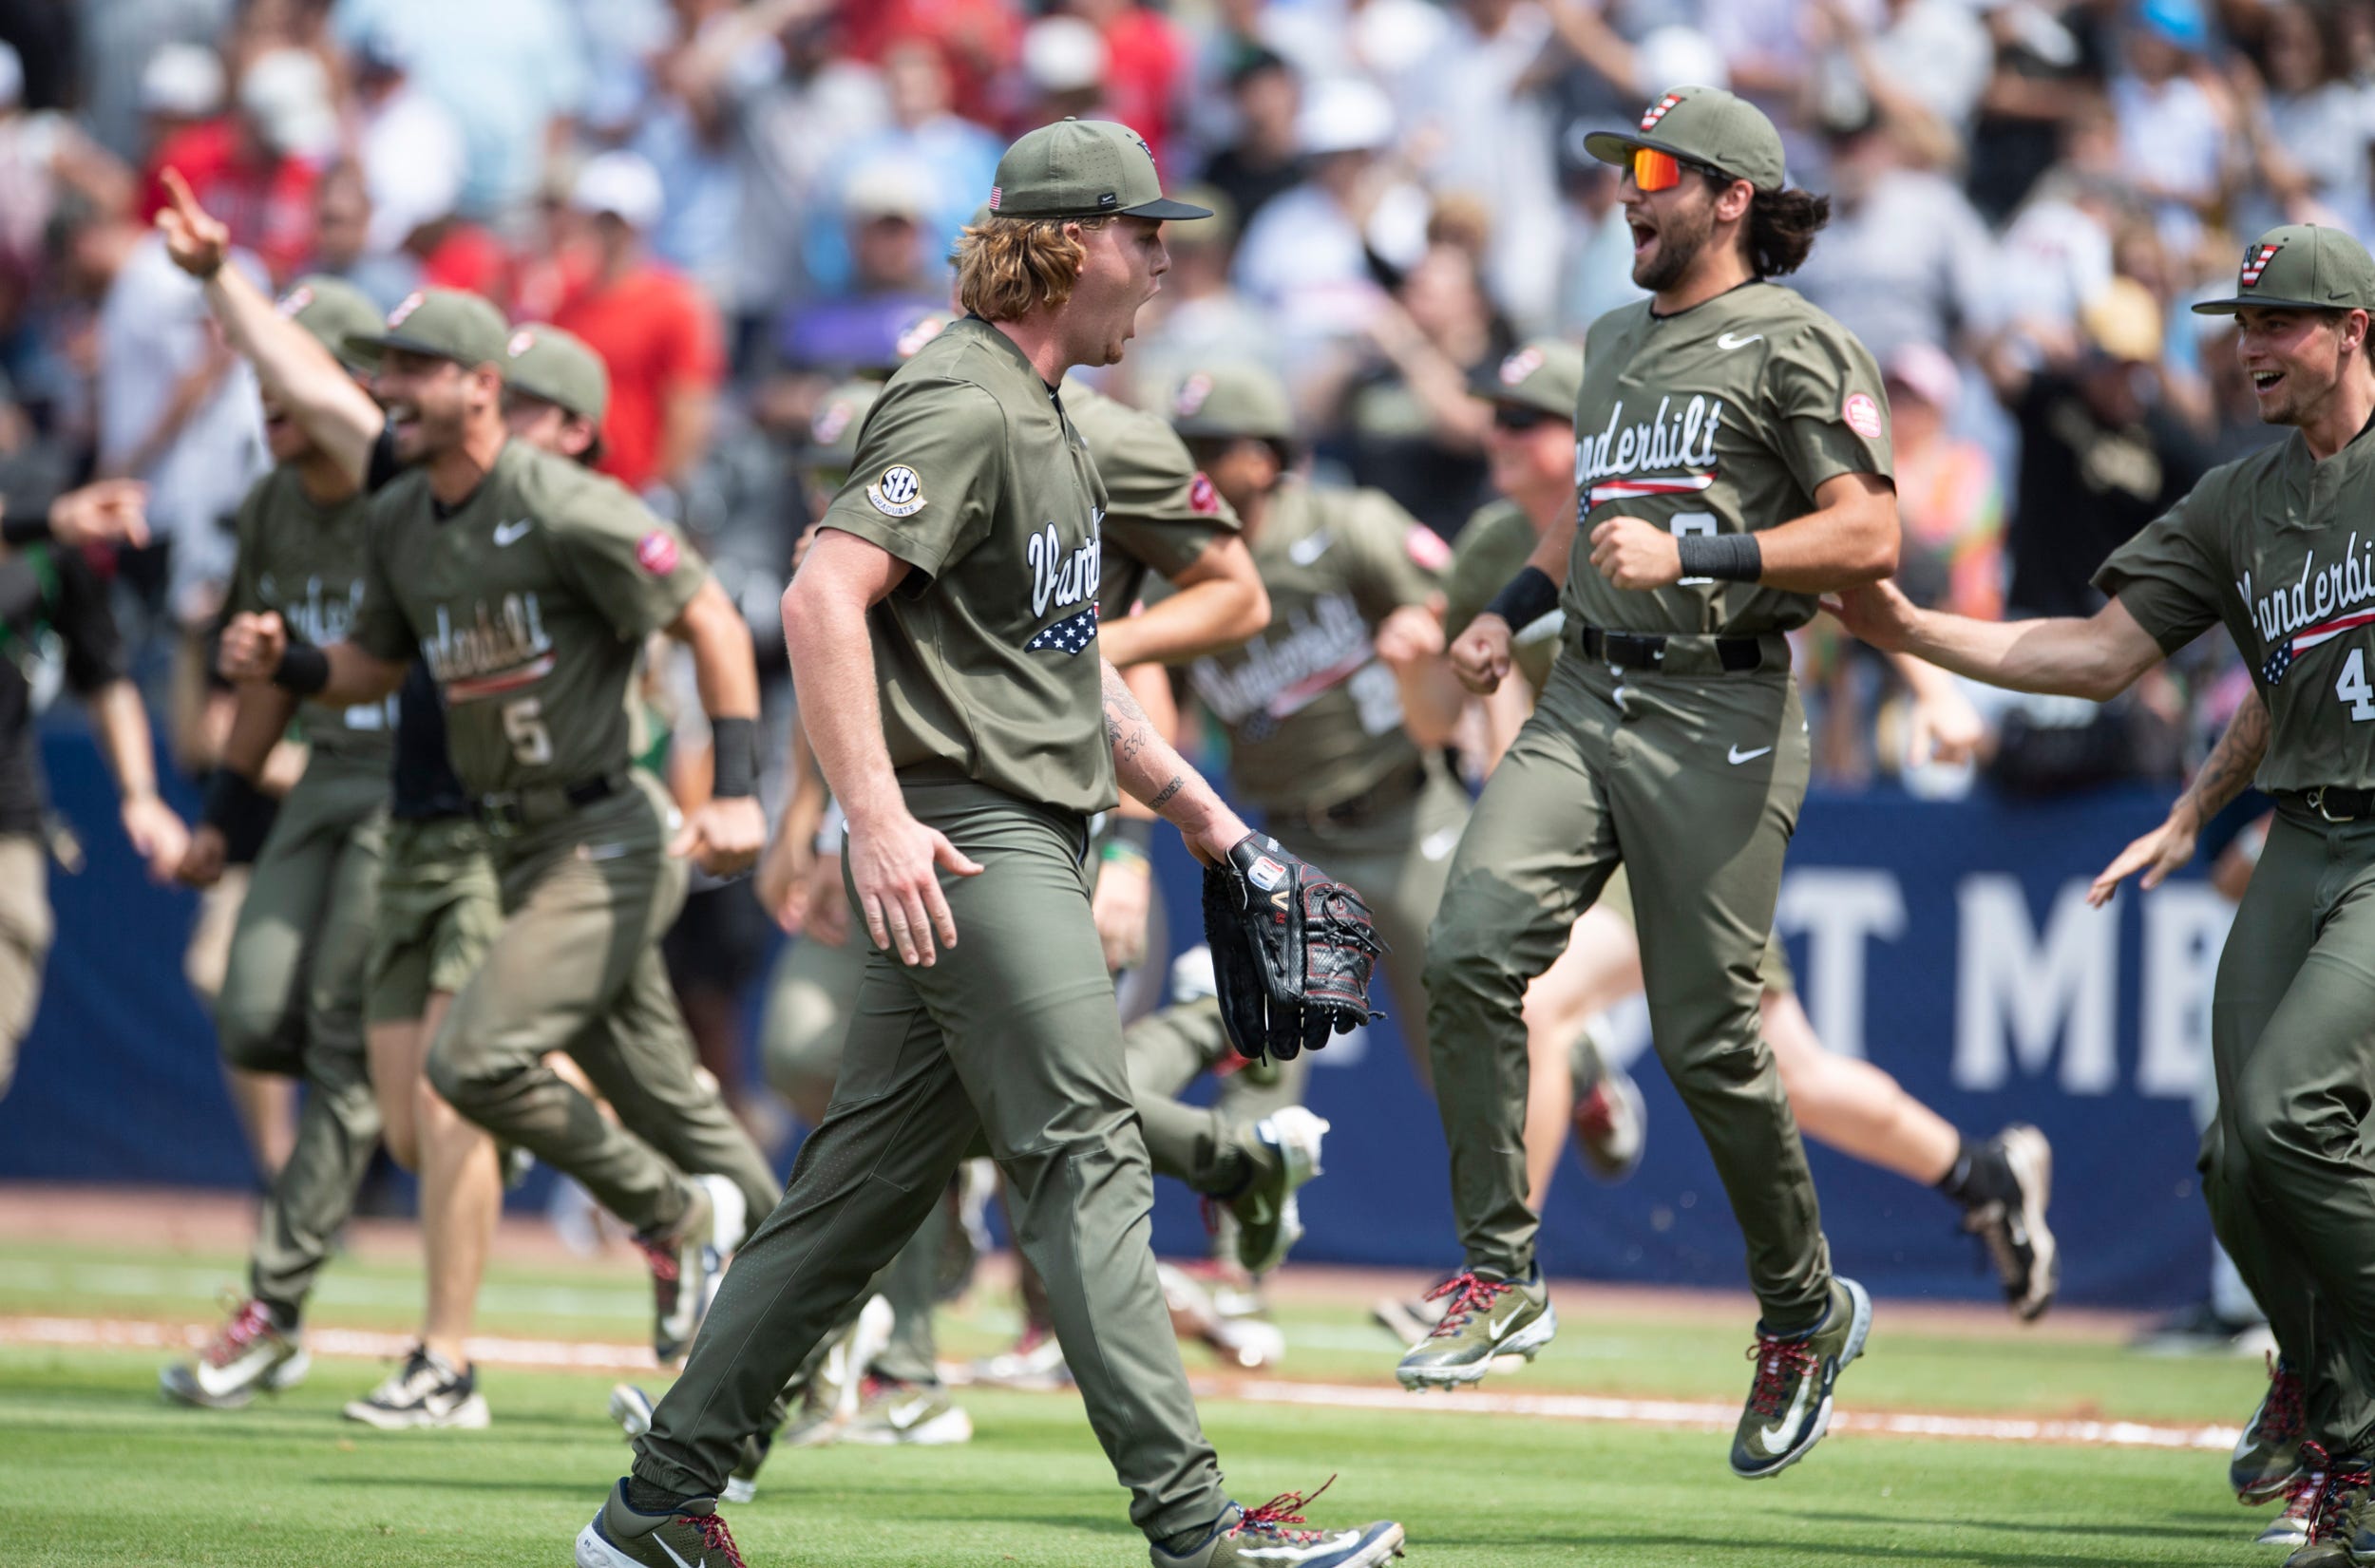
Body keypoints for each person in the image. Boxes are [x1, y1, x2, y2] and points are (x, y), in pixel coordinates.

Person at [577, 118, 1403, 1568]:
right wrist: (878, 817)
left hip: (1021, 816)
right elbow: (823, 597)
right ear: (1072, 240)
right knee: (1085, 1155)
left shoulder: (1051, 412)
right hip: (971, 833)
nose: (1162, 260)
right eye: (1145, 233)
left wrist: (1199, 811)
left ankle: (654, 1508)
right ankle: (1198, 1526)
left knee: (847, 1200)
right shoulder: (961, 399)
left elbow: (1059, 664)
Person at [1831, 223, 2375, 1566]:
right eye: (2242, 321)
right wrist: (1910, 630)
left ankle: (2350, 1429)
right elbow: (2098, 655)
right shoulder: (2241, 499)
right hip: (2304, 828)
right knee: (2236, 1163)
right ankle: (2333, 1413)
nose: (2250, 344)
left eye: (2283, 322)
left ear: (2356, 329)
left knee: (2289, 1108)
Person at [1414, 85, 1893, 1483]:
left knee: (1709, 1043)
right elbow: (1591, 516)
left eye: (1657, 170)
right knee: (1465, 948)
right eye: (1623, 166)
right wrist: (1512, 602)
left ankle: (1804, 1310)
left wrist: (1702, 559)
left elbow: (1871, 526)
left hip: (1722, 704)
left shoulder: (1801, 341)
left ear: (1732, 195)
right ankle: (1501, 1274)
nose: (1628, 189)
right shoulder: (1615, 335)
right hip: (1586, 690)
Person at [209, 281, 783, 1378]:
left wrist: (740, 786)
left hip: (601, 833)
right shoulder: (399, 516)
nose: (389, 388)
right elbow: (376, 663)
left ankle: (670, 1217)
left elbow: (707, 612)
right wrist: (284, 662)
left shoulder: (566, 503)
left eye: (417, 367)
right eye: (386, 367)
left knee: (470, 1061)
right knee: (670, 1100)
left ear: (481, 389)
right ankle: (807, 1283)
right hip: (511, 841)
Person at [157, 274, 408, 1413]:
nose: (270, 393)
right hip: (315, 783)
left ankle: (277, 1299)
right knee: (253, 1011)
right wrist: (220, 816)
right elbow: (257, 673)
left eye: (293, 372)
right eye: (264, 373)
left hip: (411, 787)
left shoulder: (399, 492)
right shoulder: (266, 506)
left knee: (345, 1038)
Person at [0, 481, 183, 1103]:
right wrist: (47, 516)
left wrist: (140, 793)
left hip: (7, 822)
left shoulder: (54, 545)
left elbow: (106, 678)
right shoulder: (47, 519)